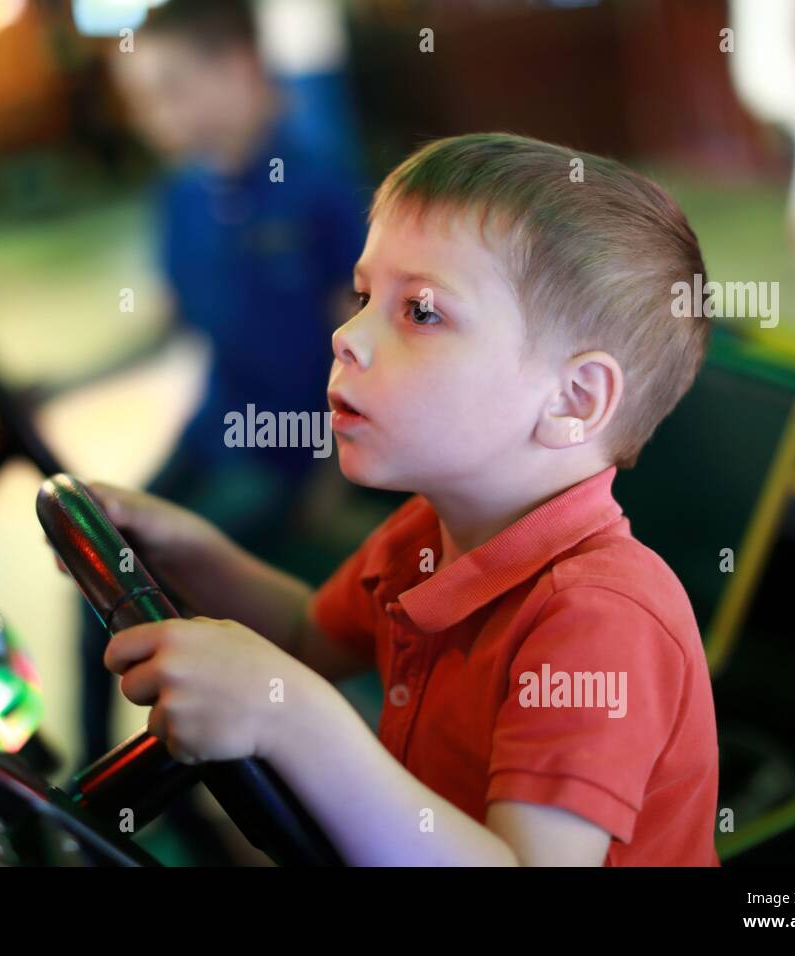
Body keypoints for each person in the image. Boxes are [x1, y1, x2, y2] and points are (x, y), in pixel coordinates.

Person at [67, 133, 721, 866]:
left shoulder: (599, 619)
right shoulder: (425, 534)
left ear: (574, 397)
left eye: (421, 312)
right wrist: (192, 553)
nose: (347, 336)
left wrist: (298, 721)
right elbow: (310, 634)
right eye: (363, 296)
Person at [78, 0, 367, 769]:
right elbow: (171, 322)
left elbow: (363, 342)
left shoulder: (323, 187)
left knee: (152, 603)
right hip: (213, 431)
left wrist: (332, 469)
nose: (149, 116)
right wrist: (58, 381)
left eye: (168, 88)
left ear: (239, 69)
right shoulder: (181, 196)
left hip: (284, 454)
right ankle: (74, 786)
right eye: (138, 98)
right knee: (90, 560)